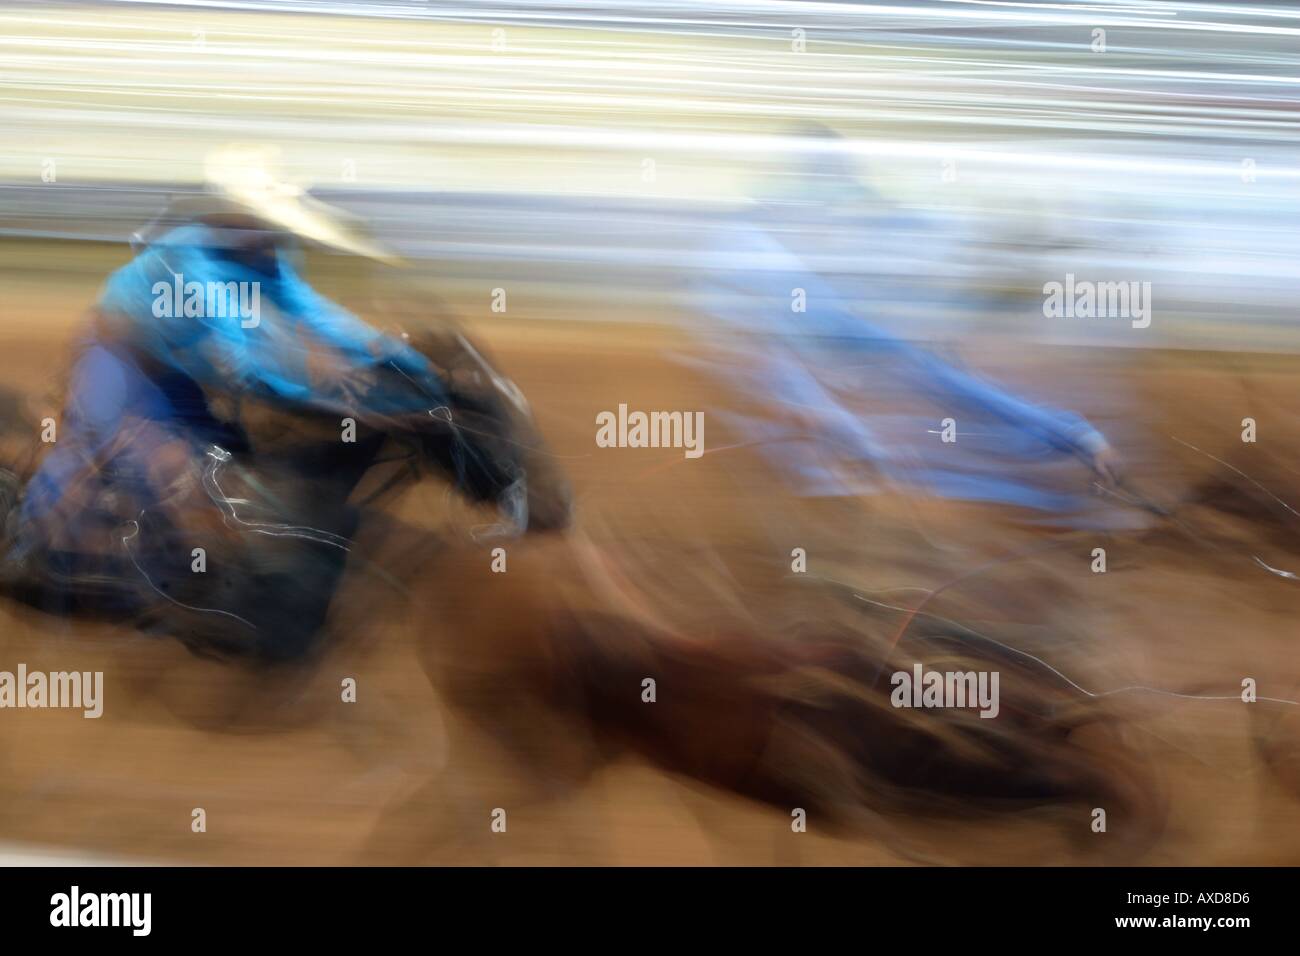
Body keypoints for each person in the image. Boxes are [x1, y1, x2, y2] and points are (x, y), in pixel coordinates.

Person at [0, 144, 449, 601]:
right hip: (119, 363)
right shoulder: (187, 263)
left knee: (227, 461)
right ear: (235, 213)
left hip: (177, 371)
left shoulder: (268, 256)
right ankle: (28, 541)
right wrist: (327, 395)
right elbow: (242, 361)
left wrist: (396, 358)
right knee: (127, 452)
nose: (269, 228)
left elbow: (317, 316)